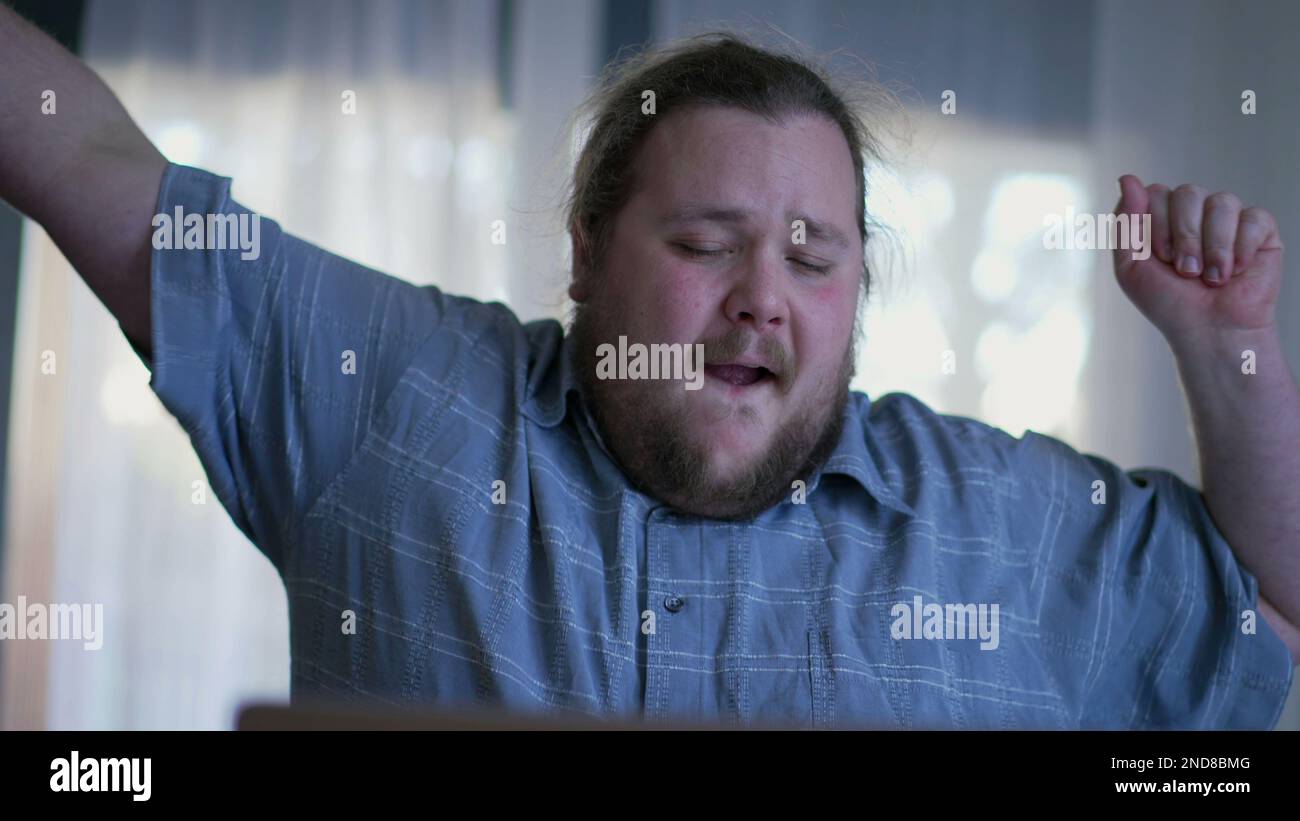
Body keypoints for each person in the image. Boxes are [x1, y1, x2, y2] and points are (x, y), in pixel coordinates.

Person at [2, 7, 1296, 728]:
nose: (761, 303)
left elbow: (1275, 607)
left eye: (814, 256)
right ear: (588, 249)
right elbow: (84, 161)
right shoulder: (389, 394)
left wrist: (1228, 337)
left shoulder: (1009, 528)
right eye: (705, 242)